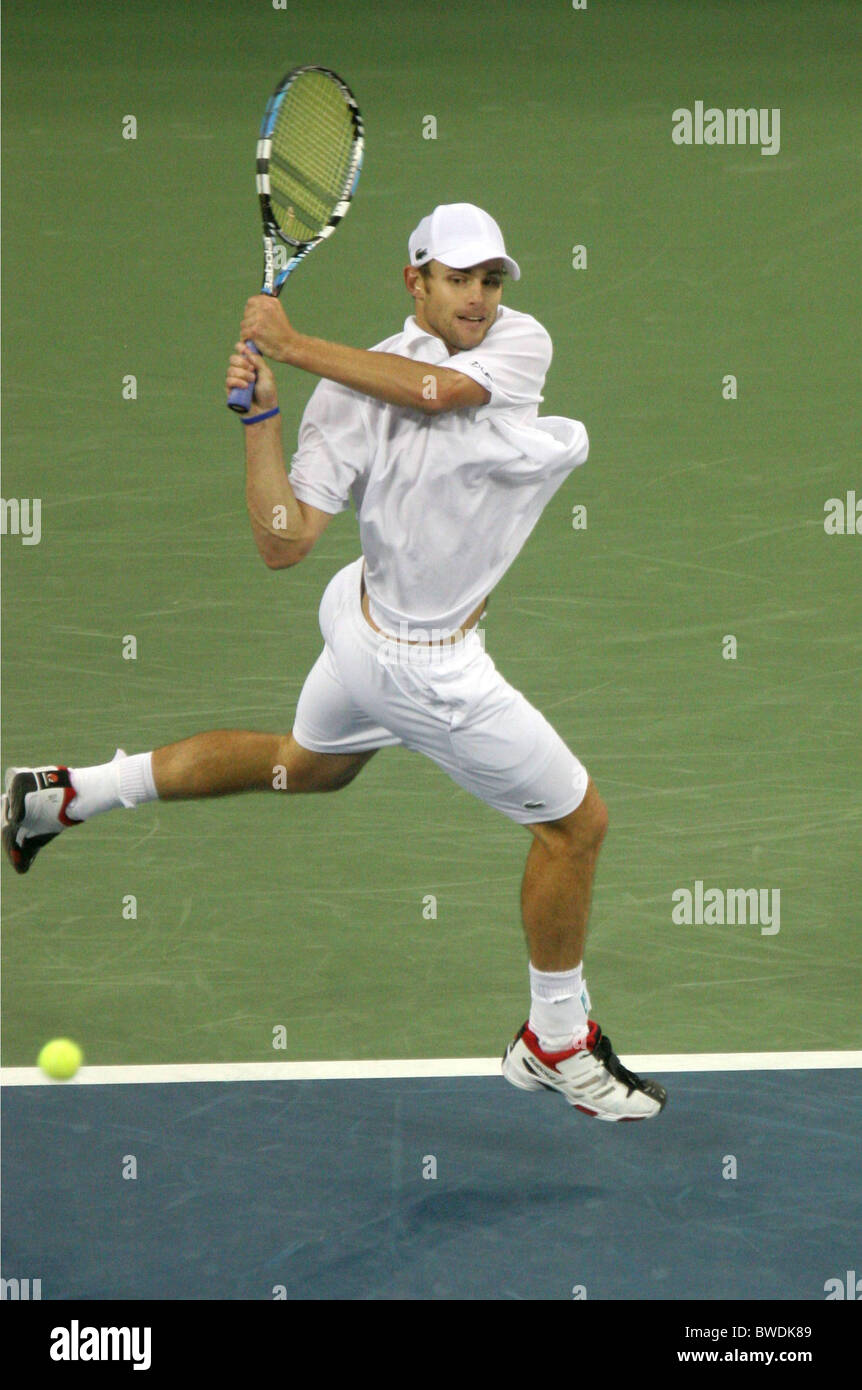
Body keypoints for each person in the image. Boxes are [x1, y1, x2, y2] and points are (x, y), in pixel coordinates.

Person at [3, 203, 666, 1121]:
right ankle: (554, 1040)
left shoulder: (518, 344)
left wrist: (294, 344)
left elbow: (434, 396)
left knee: (300, 767)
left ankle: (61, 794)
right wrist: (262, 424)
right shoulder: (348, 396)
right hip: (418, 665)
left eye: (491, 279)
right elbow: (284, 541)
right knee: (575, 826)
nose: (479, 298)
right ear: (415, 282)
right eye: (458, 278)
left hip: (363, 628)